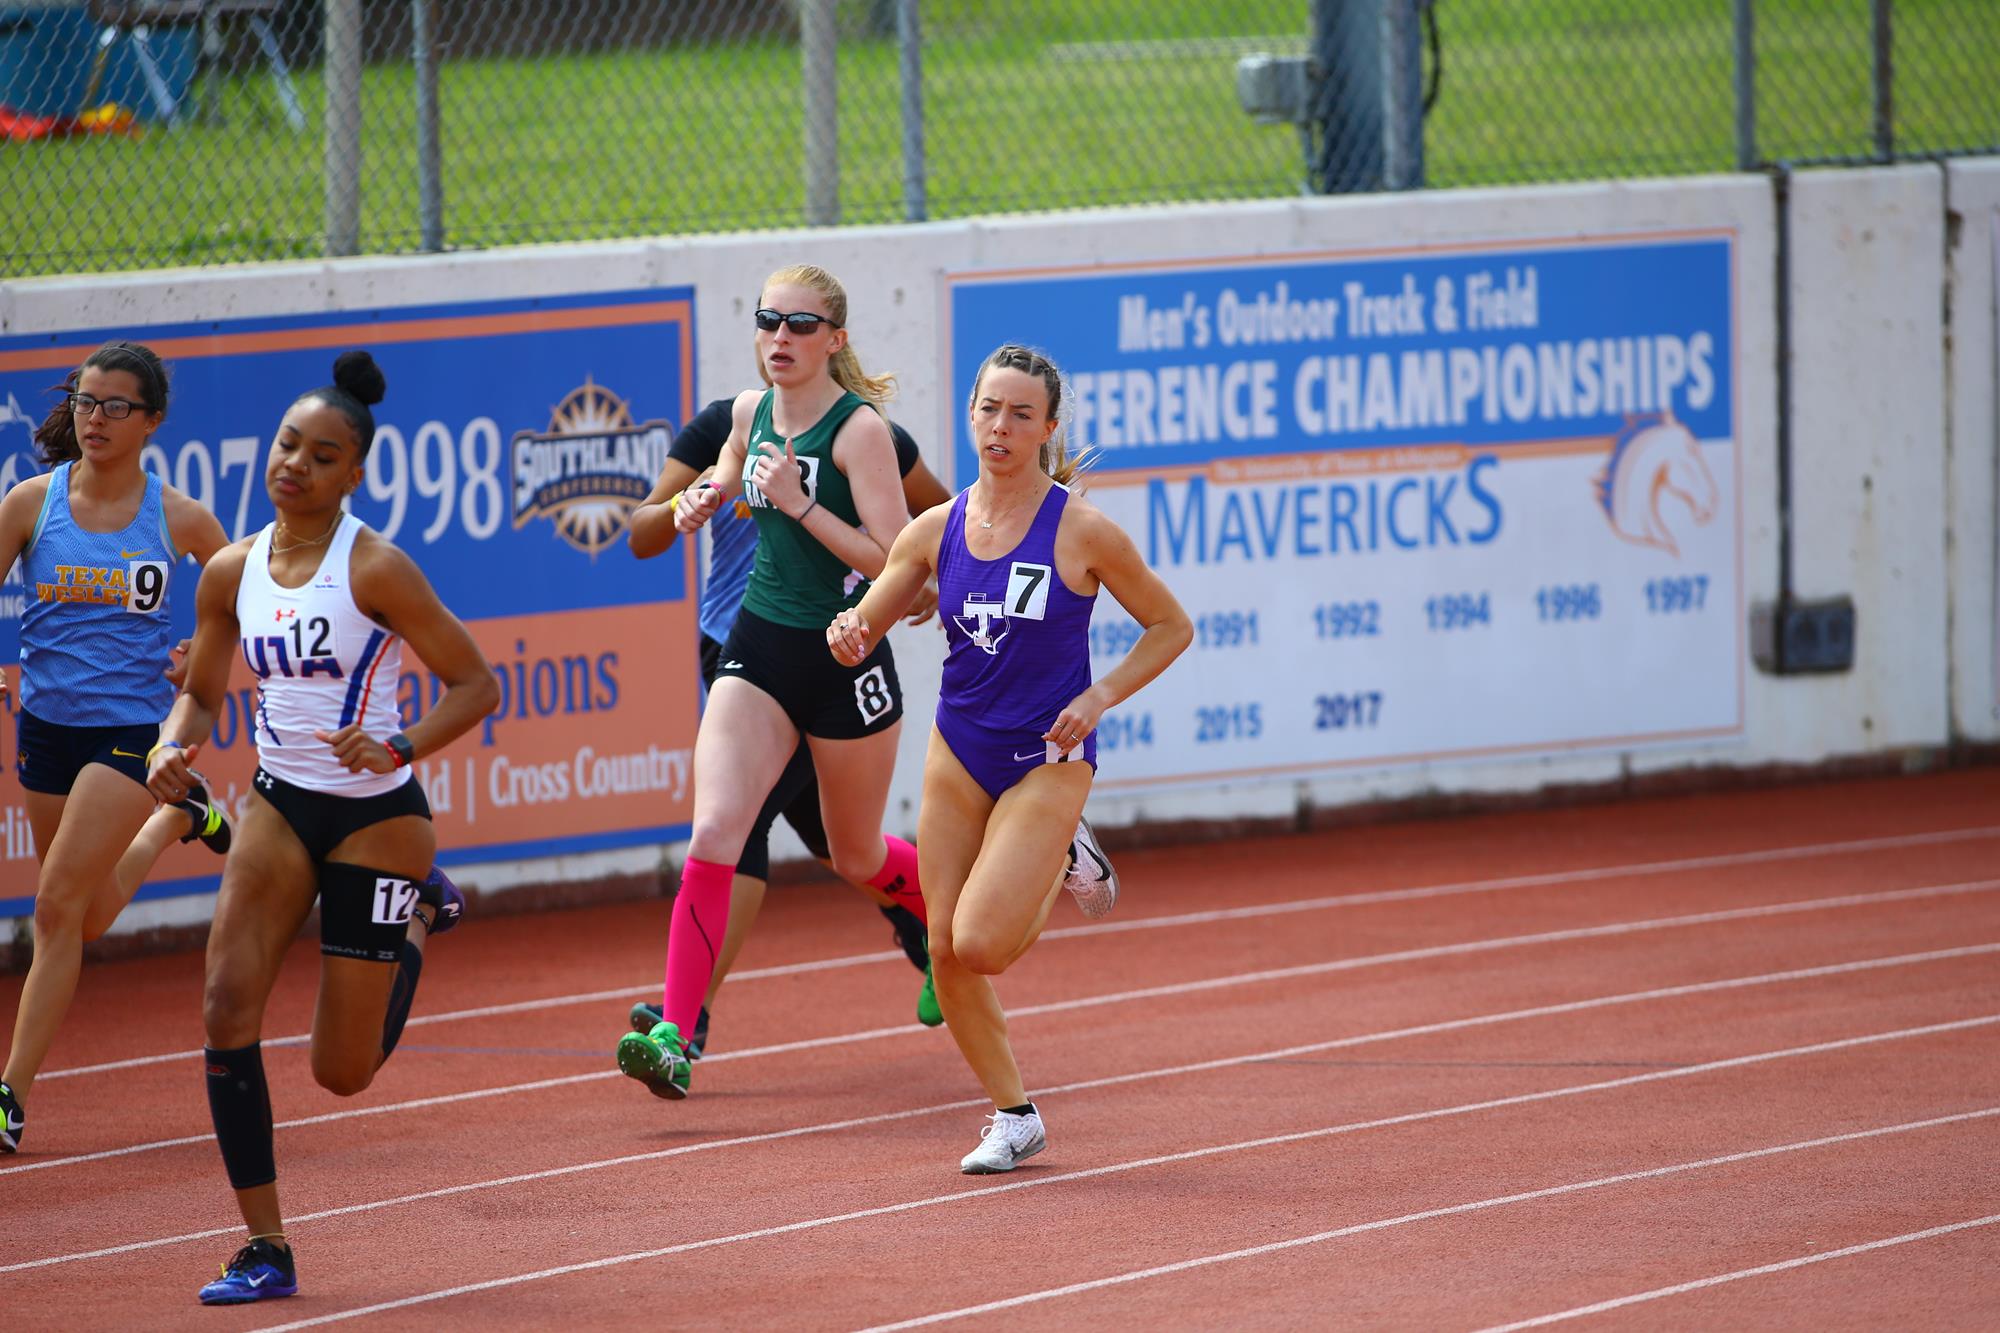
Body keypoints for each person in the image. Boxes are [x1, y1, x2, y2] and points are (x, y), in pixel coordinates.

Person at [145, 351, 498, 1304]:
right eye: (288, 444)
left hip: (377, 819)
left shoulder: (375, 567)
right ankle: (267, 1247)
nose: (295, 463)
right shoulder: (230, 570)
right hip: (279, 802)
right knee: (224, 1007)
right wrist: (171, 748)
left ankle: (420, 913)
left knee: (341, 1072)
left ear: (355, 473)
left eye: (322, 454)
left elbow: (477, 684)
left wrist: (399, 743)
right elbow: (204, 695)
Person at [827, 343, 1191, 1174]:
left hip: (1047, 756)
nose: (1001, 426)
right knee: (945, 950)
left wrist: (1099, 698)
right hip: (958, 748)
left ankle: (1064, 847)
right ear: (971, 416)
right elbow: (864, 625)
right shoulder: (935, 528)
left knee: (982, 942)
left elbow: (1171, 626)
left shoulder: (1084, 531)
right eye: (990, 409)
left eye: (1021, 414)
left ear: (1047, 428)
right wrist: (845, 635)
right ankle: (1014, 1114)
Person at [613, 263, 934, 1101]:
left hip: (845, 653)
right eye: (768, 322)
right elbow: (722, 478)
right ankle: (679, 1034)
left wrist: (798, 504)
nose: (781, 339)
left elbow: (898, 565)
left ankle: (939, 917)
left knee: (855, 852)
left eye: (800, 325)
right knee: (716, 830)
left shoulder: (861, 431)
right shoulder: (749, 413)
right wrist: (697, 503)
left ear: (835, 339)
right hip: (757, 648)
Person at [0, 341, 234, 1157]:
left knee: (56, 908)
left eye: (114, 407)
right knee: (84, 915)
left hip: (132, 732)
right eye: (84, 402)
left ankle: (9, 1094)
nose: (94, 419)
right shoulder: (31, 502)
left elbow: (239, 587)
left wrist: (198, 655)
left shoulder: (176, 516)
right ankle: (177, 825)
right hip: (47, 731)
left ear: (152, 422)